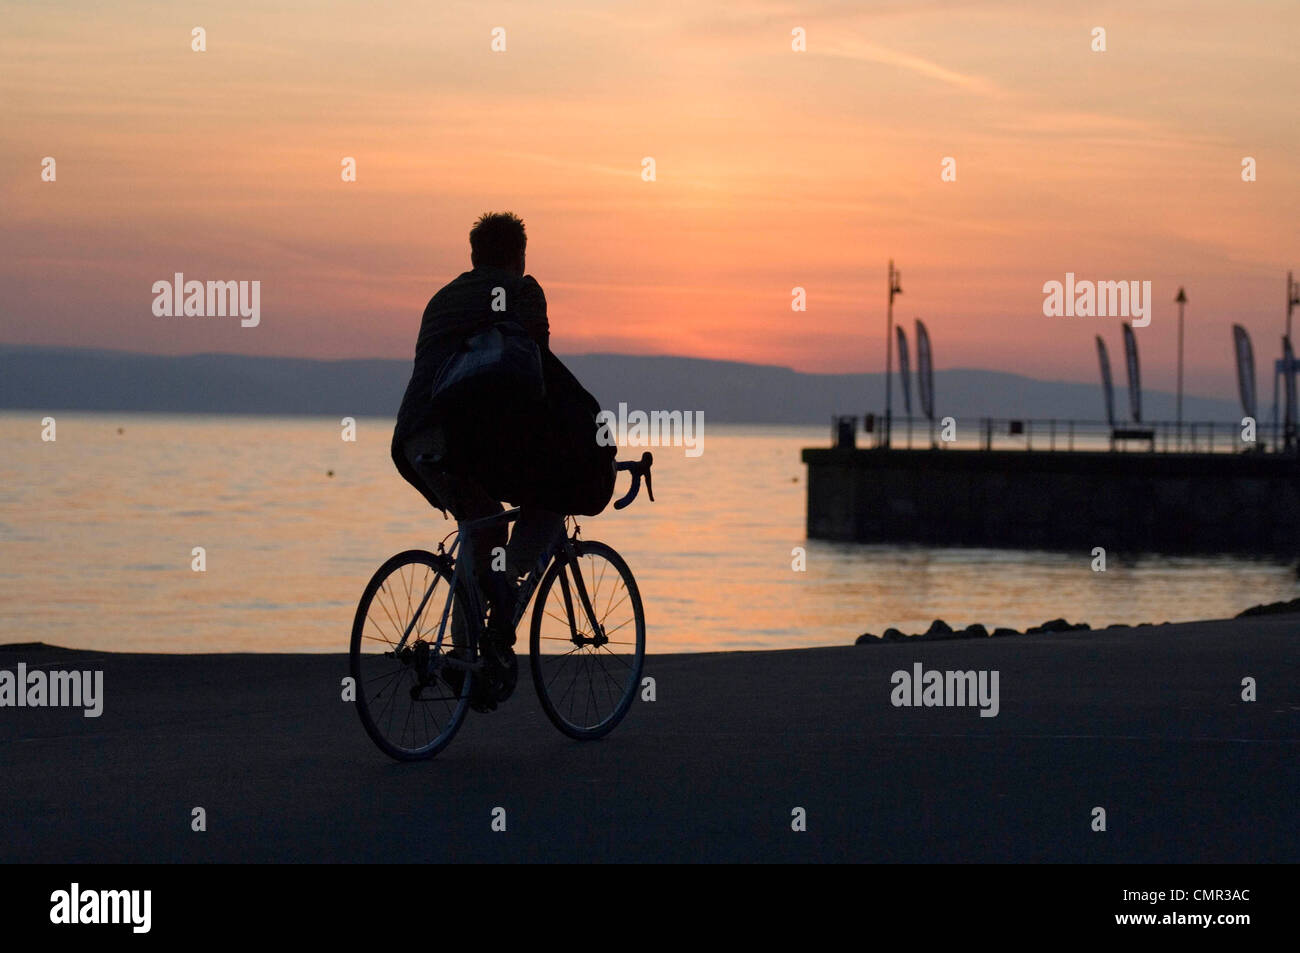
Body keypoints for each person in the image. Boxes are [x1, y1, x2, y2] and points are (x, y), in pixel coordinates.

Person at [391, 212, 566, 708]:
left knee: (481, 522)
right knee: (540, 506)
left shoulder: (442, 298)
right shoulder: (522, 292)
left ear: (473, 257)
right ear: (520, 256)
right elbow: (542, 374)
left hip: (414, 441)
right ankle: (499, 608)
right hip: (460, 439)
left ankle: (472, 659)